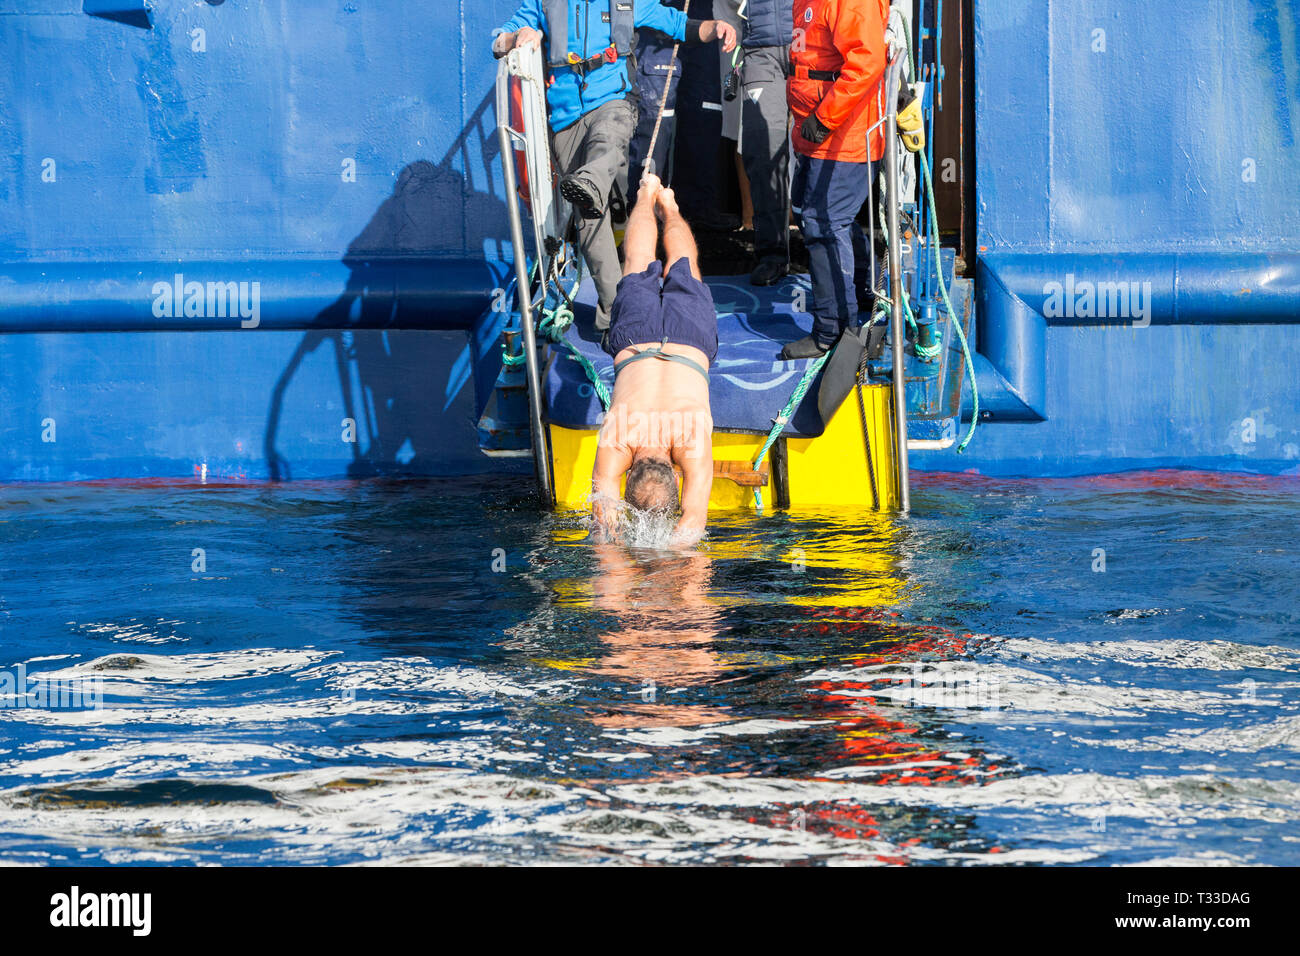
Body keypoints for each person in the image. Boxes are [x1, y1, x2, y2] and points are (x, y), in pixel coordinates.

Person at [493, 2, 737, 331]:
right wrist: (516, 38)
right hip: (565, 117)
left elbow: (678, 24)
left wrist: (717, 28)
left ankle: (595, 187)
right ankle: (614, 315)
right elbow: (497, 41)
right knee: (590, 218)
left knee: (606, 144)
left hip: (614, 99)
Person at [591, 174, 716, 546]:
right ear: (627, 473)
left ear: (677, 477)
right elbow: (605, 522)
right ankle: (648, 196)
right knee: (638, 260)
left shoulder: (692, 444)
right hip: (635, 340)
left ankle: (670, 206)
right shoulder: (617, 439)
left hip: (689, 342)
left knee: (684, 262)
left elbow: (693, 522)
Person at [780, 0, 890, 359]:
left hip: (843, 136)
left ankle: (835, 332)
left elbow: (867, 61)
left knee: (824, 223)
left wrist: (824, 119)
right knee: (825, 218)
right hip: (816, 134)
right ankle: (866, 291)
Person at [738, 0, 794, 286]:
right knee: (763, 151)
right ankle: (772, 254)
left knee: (823, 152)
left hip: (815, 44)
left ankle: (835, 253)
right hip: (760, 51)